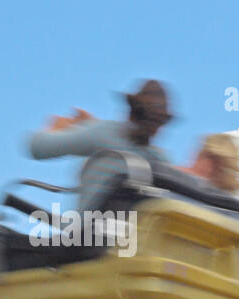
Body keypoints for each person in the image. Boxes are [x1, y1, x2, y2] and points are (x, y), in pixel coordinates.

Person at [26, 78, 175, 211]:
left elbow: (37, 148)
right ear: (161, 124)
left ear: (130, 109)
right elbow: (126, 143)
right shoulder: (163, 163)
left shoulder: (104, 133)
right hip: (131, 240)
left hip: (83, 238)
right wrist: (92, 126)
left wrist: (56, 127)